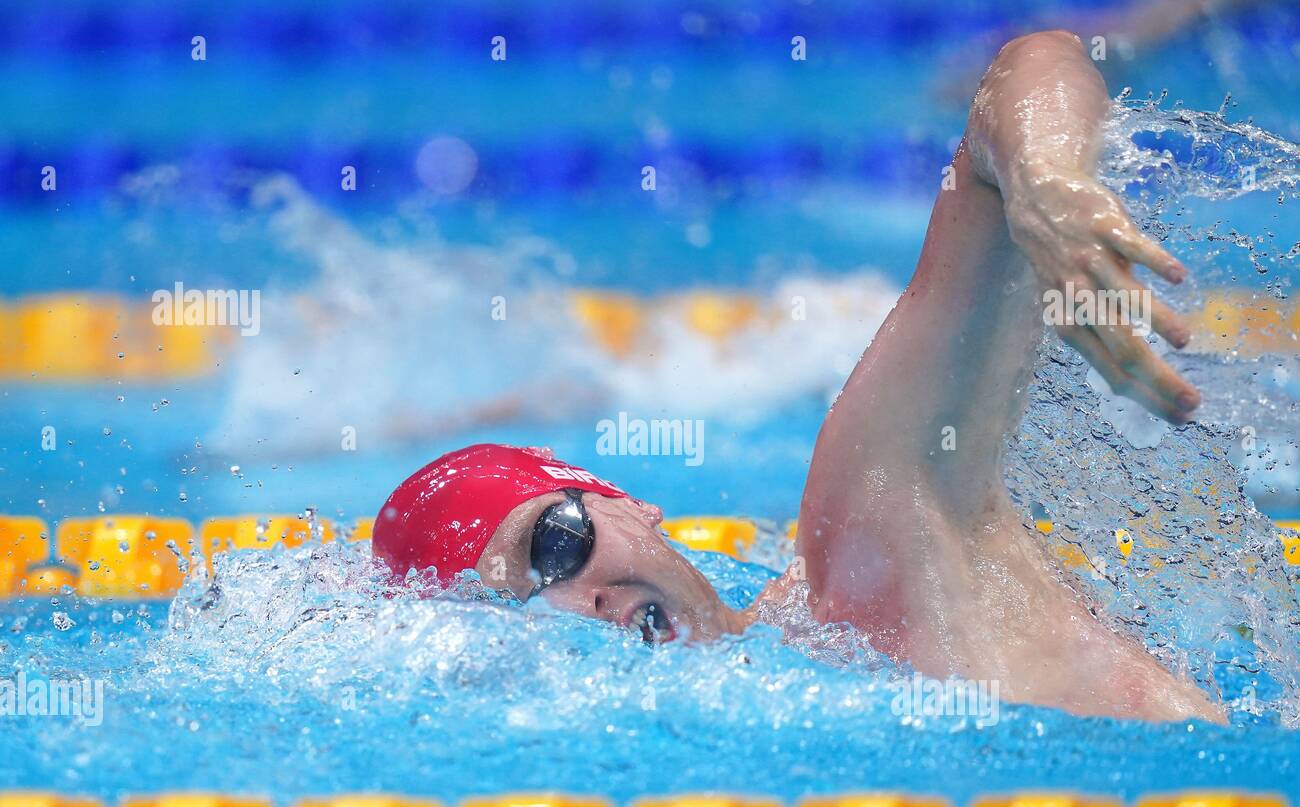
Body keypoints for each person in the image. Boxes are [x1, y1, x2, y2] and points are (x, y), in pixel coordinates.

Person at [373, 31, 1224, 724]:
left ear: (627, 504)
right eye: (523, 611)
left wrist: (1047, 187)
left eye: (553, 545)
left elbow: (1028, 67)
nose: (578, 605)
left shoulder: (873, 560)